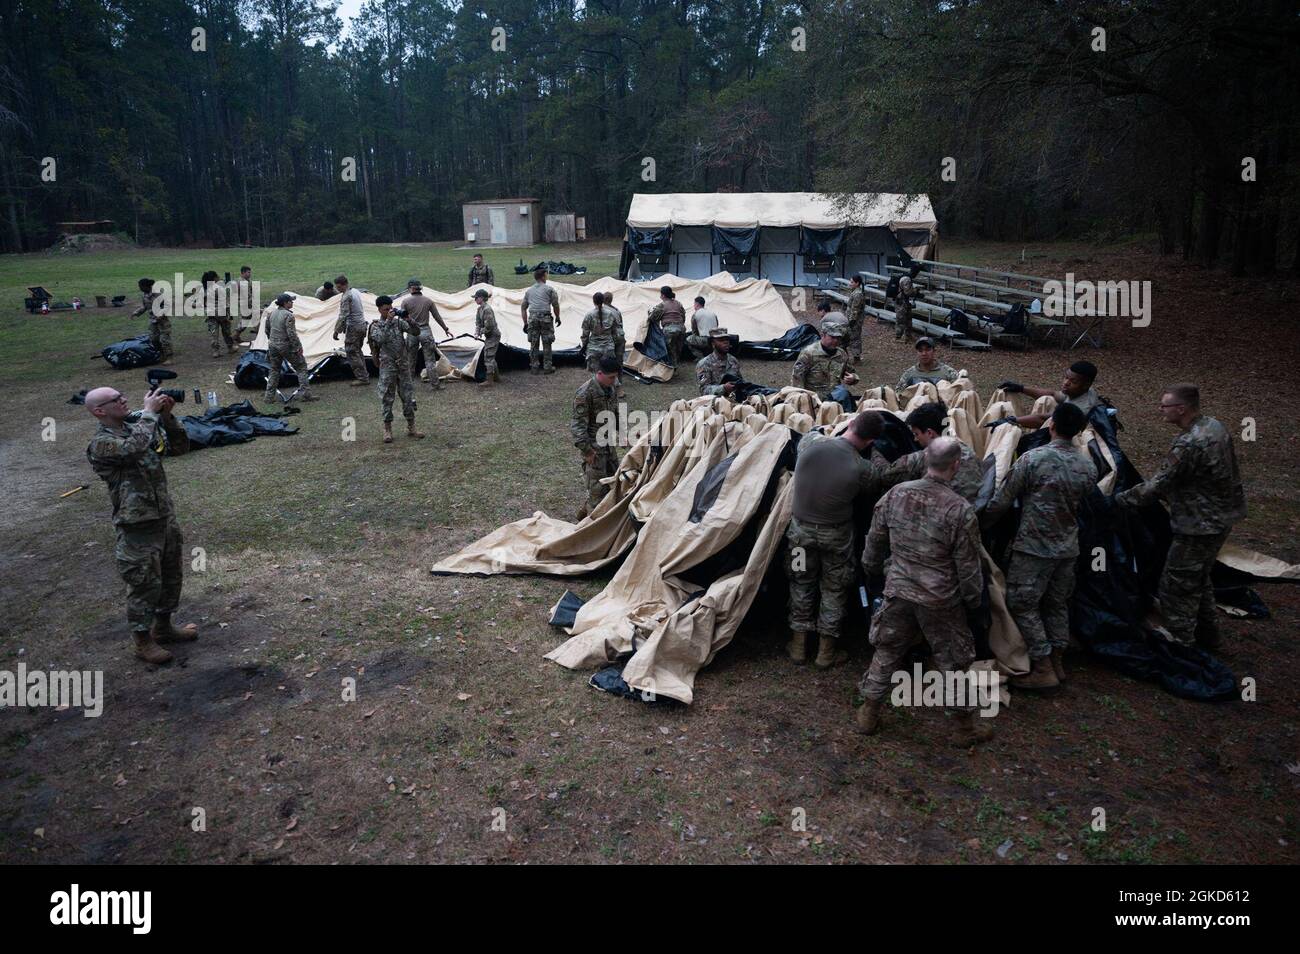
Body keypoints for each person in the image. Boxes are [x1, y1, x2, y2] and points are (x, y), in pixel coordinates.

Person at [856, 437, 992, 745]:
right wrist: (973, 601)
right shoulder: (959, 510)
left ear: (923, 460)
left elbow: (873, 542)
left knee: (888, 650)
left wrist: (872, 570)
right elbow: (968, 565)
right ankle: (964, 728)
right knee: (952, 661)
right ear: (956, 465)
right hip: (940, 598)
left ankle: (868, 712)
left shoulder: (895, 494)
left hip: (899, 590)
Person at [1114, 384, 1247, 649]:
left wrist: (1117, 501)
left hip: (1197, 524)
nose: (1160, 410)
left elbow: (1158, 485)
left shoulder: (1189, 444)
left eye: (1164, 406)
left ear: (1181, 408)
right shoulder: (1214, 427)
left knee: (1176, 585)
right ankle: (1208, 637)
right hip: (1221, 517)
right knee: (1199, 579)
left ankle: (1180, 644)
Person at [980, 403, 1097, 687]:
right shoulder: (1088, 466)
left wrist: (980, 526)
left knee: (1021, 602)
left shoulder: (1033, 460)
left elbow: (1002, 501)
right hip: (1068, 546)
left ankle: (1042, 665)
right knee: (1057, 603)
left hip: (1033, 547)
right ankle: (1058, 660)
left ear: (1051, 426)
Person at [85, 385, 197, 665]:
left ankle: (164, 626)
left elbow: (181, 448)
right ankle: (142, 641)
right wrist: (149, 413)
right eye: (116, 399)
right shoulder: (102, 442)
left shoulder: (139, 427)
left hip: (163, 516)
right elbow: (133, 449)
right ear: (100, 411)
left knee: (171, 574)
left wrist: (168, 417)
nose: (124, 400)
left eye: (123, 396)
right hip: (136, 524)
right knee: (143, 582)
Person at [785, 411, 885, 669]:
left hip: (800, 534)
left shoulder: (810, 444)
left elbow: (811, 434)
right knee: (835, 588)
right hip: (837, 537)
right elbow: (876, 481)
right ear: (871, 441)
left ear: (850, 424)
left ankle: (798, 645)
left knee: (800, 580)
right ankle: (825, 652)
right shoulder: (862, 468)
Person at [880, 402, 983, 504]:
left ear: (930, 433)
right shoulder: (970, 452)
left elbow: (885, 475)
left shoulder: (923, 457)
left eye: (916, 434)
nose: (915, 439)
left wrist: (875, 452)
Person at [367, 295, 425, 443]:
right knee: (387, 397)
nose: (389, 311)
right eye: (386, 309)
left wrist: (409, 319)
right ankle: (387, 429)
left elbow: (416, 332)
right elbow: (380, 339)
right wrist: (388, 321)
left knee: (407, 396)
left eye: (390, 308)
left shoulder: (399, 323)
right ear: (379, 309)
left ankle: (411, 426)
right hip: (388, 366)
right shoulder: (375, 326)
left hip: (403, 365)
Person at [570, 354, 622, 519]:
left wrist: (621, 432)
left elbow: (614, 412)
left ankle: (589, 513)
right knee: (597, 490)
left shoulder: (610, 388)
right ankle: (590, 526)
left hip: (607, 444)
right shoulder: (585, 393)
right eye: (611, 377)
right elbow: (578, 426)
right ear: (599, 373)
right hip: (593, 447)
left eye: (616, 377)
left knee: (615, 481)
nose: (614, 381)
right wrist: (587, 451)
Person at [993, 361, 1101, 430]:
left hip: (1071, 440)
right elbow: (1053, 394)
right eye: (1066, 377)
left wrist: (1011, 420)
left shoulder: (1081, 407)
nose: (1066, 383)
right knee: (1046, 399)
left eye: (1073, 381)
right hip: (1058, 425)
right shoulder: (1082, 390)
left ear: (1086, 384)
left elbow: (1043, 420)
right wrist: (1021, 388)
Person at [263, 293, 317, 404]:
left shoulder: (271, 314)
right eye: (290, 301)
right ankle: (305, 394)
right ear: (285, 303)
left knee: (274, 370)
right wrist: (298, 347)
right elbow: (291, 334)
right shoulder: (288, 315)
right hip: (285, 345)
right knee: (301, 367)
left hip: (273, 345)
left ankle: (269, 397)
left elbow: (267, 330)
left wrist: (272, 340)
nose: (292, 303)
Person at [402, 278, 451, 392]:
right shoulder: (428, 301)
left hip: (412, 332)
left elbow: (403, 319)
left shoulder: (405, 302)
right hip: (425, 331)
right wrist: (445, 329)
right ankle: (435, 384)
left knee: (410, 360)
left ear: (410, 289)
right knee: (430, 360)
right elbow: (437, 316)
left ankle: (408, 386)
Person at [791, 318, 860, 393]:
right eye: (832, 337)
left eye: (838, 338)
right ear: (822, 335)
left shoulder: (841, 355)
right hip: (814, 399)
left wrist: (853, 378)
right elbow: (797, 379)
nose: (836, 341)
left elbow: (851, 373)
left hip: (835, 399)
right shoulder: (809, 353)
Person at [331, 275, 370, 386]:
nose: (338, 290)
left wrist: (336, 330)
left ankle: (362, 378)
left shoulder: (347, 296)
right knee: (358, 351)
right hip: (362, 325)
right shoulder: (355, 291)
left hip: (354, 327)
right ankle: (365, 375)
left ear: (344, 284)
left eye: (339, 287)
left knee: (352, 352)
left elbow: (343, 315)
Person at [521, 266, 561, 374]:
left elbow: (523, 308)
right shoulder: (549, 289)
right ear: (543, 277)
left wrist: (525, 323)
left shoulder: (529, 291)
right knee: (547, 342)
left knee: (534, 343)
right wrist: (557, 317)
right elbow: (555, 305)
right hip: (545, 318)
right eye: (546, 275)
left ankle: (534, 367)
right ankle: (547, 367)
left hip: (533, 318)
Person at [580, 290, 625, 372]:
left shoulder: (589, 315)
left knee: (595, 373)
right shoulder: (611, 313)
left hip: (594, 348)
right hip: (608, 348)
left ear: (593, 301)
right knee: (608, 371)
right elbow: (615, 332)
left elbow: (585, 335)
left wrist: (584, 346)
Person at [132, 278, 171, 363]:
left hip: (163, 320)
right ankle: (161, 354)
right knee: (154, 339)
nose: (140, 288)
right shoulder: (144, 295)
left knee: (164, 339)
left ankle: (168, 357)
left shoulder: (158, 294)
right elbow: (144, 307)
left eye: (141, 286)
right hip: (153, 320)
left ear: (146, 286)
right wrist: (136, 313)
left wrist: (160, 315)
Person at [647, 286, 687, 366]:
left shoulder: (662, 305)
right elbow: (683, 316)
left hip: (669, 330)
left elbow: (653, 318)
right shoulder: (678, 303)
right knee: (677, 348)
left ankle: (671, 367)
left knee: (669, 350)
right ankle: (676, 365)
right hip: (681, 328)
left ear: (663, 295)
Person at [696, 328, 742, 396]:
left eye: (727, 340)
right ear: (713, 344)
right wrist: (723, 388)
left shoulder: (733, 360)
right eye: (721, 340)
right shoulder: (704, 364)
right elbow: (704, 390)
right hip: (713, 402)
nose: (725, 342)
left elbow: (740, 382)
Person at [202, 270, 235, 358]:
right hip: (221, 313)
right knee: (226, 331)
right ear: (214, 278)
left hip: (211, 314)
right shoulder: (218, 288)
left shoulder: (205, 289)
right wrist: (229, 313)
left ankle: (215, 351)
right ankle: (230, 347)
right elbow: (224, 302)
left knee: (214, 333)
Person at [473, 289, 501, 385]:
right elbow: (478, 323)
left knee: (488, 357)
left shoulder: (487, 309)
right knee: (490, 356)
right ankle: (496, 377)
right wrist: (476, 332)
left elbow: (489, 326)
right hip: (489, 335)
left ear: (481, 298)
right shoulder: (480, 309)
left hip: (493, 335)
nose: (475, 300)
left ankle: (489, 380)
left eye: (476, 298)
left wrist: (480, 332)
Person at [894, 263, 921, 342]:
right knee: (901, 320)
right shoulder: (907, 279)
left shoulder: (908, 277)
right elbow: (908, 292)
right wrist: (916, 292)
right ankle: (898, 337)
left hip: (905, 301)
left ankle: (908, 335)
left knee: (908, 319)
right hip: (900, 302)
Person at [845, 274, 867, 362]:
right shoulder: (854, 291)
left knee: (855, 338)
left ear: (857, 283)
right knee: (852, 337)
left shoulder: (858, 294)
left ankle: (856, 357)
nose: (850, 283)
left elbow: (855, 309)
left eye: (852, 282)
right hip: (852, 319)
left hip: (855, 321)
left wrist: (852, 321)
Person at [234, 265, 257, 344]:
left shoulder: (247, 280)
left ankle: (236, 336)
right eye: (248, 272)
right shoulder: (242, 282)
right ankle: (236, 336)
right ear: (243, 273)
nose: (250, 274)